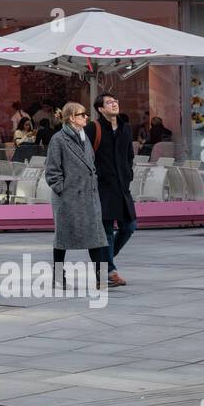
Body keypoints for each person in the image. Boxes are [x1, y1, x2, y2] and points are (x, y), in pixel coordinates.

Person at [44, 102, 110, 290]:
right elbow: (52, 170)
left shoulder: (84, 137)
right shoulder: (59, 139)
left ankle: (101, 277)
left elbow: (91, 164)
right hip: (68, 198)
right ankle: (58, 276)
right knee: (63, 239)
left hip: (89, 196)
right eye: (82, 114)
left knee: (95, 237)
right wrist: (62, 189)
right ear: (71, 117)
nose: (86, 117)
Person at [85, 92, 137, 288]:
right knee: (106, 231)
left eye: (115, 101)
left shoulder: (126, 128)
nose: (114, 104)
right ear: (100, 108)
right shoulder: (93, 128)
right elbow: (85, 156)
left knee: (130, 227)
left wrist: (128, 174)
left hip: (122, 187)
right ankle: (109, 271)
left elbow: (129, 156)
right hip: (102, 187)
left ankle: (103, 262)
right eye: (109, 102)